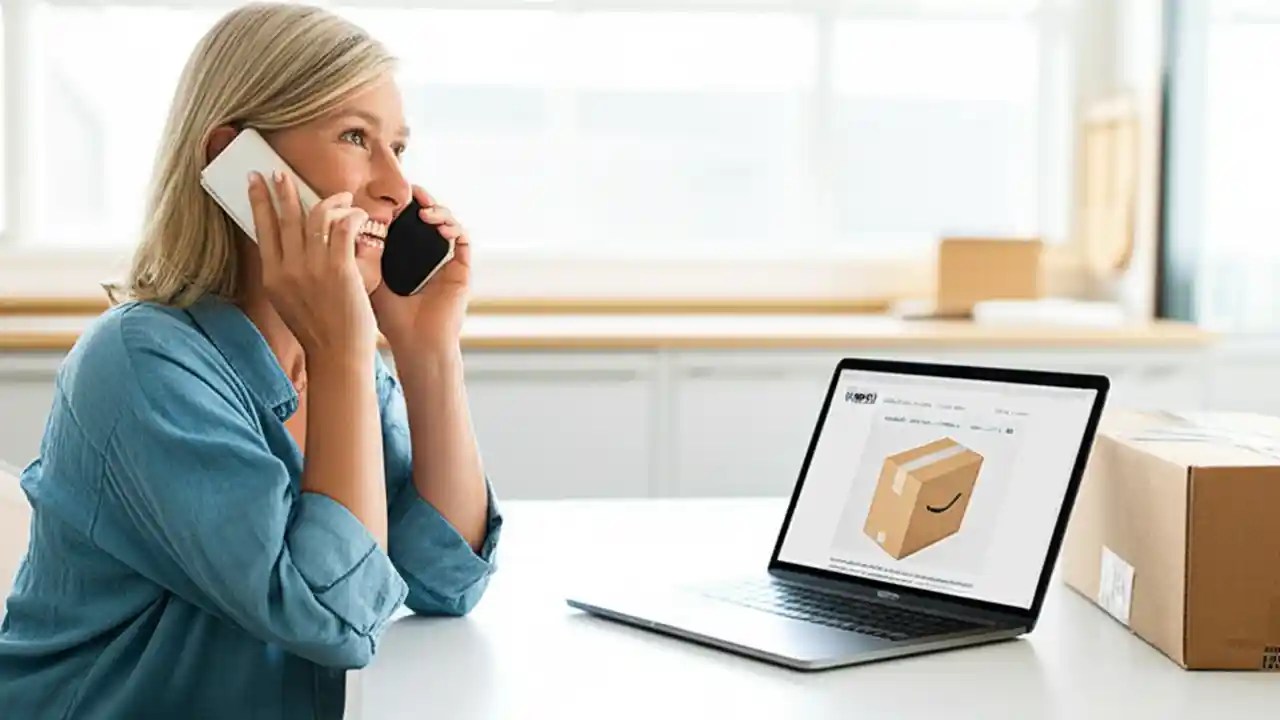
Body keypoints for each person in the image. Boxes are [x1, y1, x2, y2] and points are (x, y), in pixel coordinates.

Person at [0, 3, 502, 717]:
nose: (395, 185)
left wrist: (428, 356)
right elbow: (337, 620)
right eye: (356, 137)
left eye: (399, 146)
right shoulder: (142, 365)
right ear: (236, 163)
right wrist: (346, 352)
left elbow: (445, 577)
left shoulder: (329, 362)